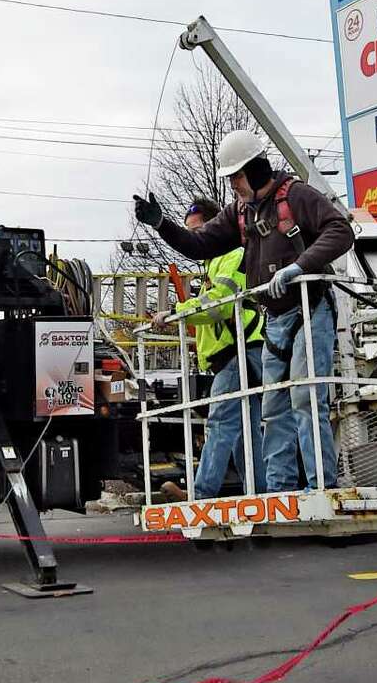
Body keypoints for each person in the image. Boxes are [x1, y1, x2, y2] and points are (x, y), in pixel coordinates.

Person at [135, 134, 354, 492]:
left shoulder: (296, 196)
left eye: (236, 177)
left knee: (305, 397)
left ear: (254, 170)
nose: (233, 185)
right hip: (276, 320)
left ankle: (321, 490)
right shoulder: (241, 212)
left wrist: (299, 266)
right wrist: (162, 224)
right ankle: (281, 491)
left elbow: (341, 229)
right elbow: (199, 243)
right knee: (274, 407)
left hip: (310, 309)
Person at [158, 197, 265, 501]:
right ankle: (261, 494)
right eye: (190, 233)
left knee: (220, 421)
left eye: (199, 230)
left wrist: (178, 312)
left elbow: (219, 303)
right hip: (237, 352)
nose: (195, 239)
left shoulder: (231, 255)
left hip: (239, 351)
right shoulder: (214, 263)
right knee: (246, 432)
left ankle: (201, 495)